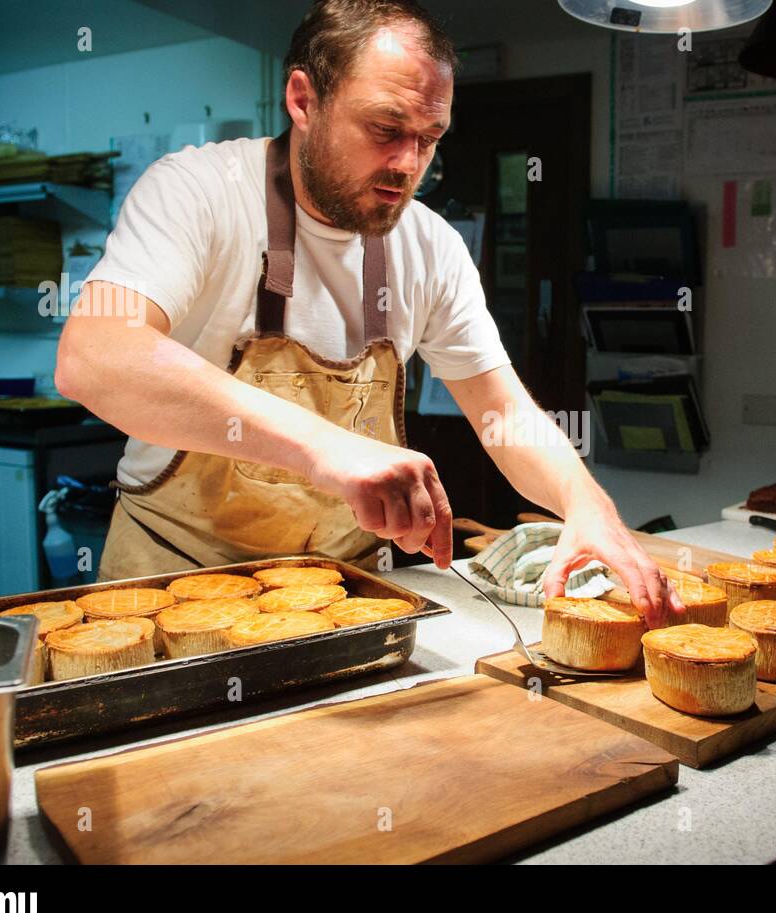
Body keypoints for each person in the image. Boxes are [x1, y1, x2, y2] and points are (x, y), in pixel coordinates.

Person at [55, 0, 682, 626]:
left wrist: (585, 504)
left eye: (429, 139)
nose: (408, 165)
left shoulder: (430, 247)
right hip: (171, 584)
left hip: (341, 594)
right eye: (386, 129)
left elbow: (504, 414)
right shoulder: (194, 192)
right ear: (304, 100)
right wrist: (328, 449)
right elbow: (95, 355)